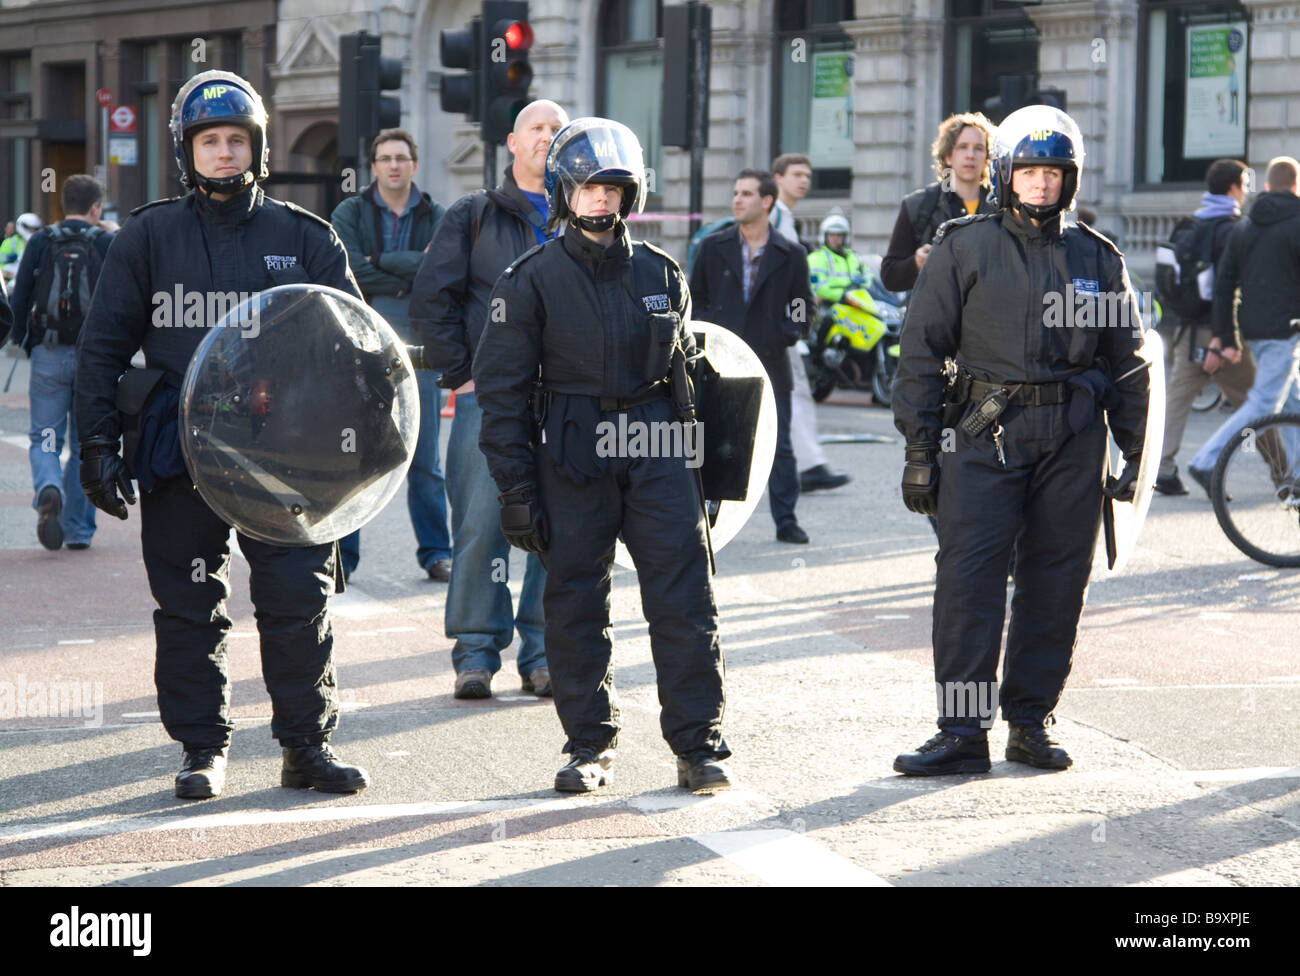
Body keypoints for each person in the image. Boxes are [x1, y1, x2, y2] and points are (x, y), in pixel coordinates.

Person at [75, 70, 370, 800]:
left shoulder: (305, 237)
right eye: (210, 140)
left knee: (298, 604)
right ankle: (202, 750)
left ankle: (307, 746)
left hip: (287, 457)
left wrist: (356, 476)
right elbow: (102, 349)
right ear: (188, 150)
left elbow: (360, 357)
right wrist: (96, 445)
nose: (225, 152)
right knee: (190, 606)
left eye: (237, 139)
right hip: (184, 453)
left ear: (257, 147)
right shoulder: (148, 236)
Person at [473, 117, 731, 794]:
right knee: (576, 603)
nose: (600, 199)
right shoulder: (527, 281)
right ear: (563, 192)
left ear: (631, 193)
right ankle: (588, 745)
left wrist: (702, 472)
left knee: (685, 599)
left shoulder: (661, 272)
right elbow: (501, 398)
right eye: (587, 186)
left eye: (612, 187)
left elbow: (687, 379)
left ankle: (699, 746)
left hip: (657, 445)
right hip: (572, 448)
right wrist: (517, 492)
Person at [891, 105, 1150, 775]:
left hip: (1071, 442)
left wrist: (1135, 456)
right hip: (983, 437)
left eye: (1054, 174)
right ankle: (961, 732)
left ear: (1071, 181)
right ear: (1008, 175)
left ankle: (1029, 722)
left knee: (1056, 582)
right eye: (1030, 172)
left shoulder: (1097, 256)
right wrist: (921, 450)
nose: (1042, 185)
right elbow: (921, 350)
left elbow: (1129, 363)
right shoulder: (963, 246)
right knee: (969, 582)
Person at [410, 99, 566, 700]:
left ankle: (544, 654)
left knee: (557, 529)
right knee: (480, 528)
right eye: (538, 127)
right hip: (489, 402)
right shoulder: (473, 214)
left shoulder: (583, 212)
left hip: (564, 405)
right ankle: (475, 653)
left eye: (558, 128)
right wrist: (463, 375)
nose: (548, 136)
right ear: (512, 142)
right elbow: (433, 300)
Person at [331, 128, 451, 582]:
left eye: (402, 158)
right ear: (374, 166)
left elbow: (438, 274)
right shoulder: (350, 211)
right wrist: (403, 268)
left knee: (424, 459)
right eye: (385, 158)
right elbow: (347, 272)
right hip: (364, 347)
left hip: (421, 349)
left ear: (414, 165)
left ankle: (436, 553)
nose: (394, 165)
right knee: (358, 454)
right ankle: (345, 557)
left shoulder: (438, 214)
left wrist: (380, 261)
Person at [690, 168, 814, 544]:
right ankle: (707, 521)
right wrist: (713, 334)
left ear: (766, 201)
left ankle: (786, 520)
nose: (737, 200)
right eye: (735, 193)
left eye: (746, 194)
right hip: (719, 365)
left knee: (779, 446)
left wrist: (787, 332)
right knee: (714, 442)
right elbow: (695, 299)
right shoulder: (714, 246)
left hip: (770, 364)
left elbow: (802, 306)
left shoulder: (790, 253)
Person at [8, 176, 114, 551]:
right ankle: (77, 529)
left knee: (46, 436)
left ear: (63, 204)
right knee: (88, 442)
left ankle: (48, 485)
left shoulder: (42, 240)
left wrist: (23, 340)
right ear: (96, 208)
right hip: (94, 359)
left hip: (48, 352)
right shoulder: (106, 241)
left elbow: (20, 296)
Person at [1185, 156, 1300, 496]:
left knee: (1292, 402)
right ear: (1295, 187)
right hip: (1287, 328)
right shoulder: (1296, 223)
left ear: (1266, 187)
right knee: (1265, 403)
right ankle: (1206, 460)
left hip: (1255, 328)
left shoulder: (1245, 226)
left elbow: (1224, 285)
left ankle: (1295, 476)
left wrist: (1226, 335)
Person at [1154, 159, 1255, 495]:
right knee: (1256, 403)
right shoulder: (1232, 229)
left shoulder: (1193, 225)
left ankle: (1163, 469)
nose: (1246, 189)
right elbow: (1228, 289)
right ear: (1233, 187)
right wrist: (1222, 339)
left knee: (1176, 402)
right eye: (1245, 182)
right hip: (1221, 333)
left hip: (1187, 330)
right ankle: (1286, 473)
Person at [769, 153, 851, 493]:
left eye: (808, 175)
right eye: (797, 174)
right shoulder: (773, 217)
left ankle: (806, 464)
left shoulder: (787, 219)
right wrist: (791, 326)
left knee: (794, 393)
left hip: (786, 328)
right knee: (791, 393)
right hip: (775, 328)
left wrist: (799, 326)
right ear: (777, 178)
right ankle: (804, 466)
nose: (804, 180)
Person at [880, 113, 997, 294]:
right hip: (932, 318)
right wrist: (916, 263)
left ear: (987, 158)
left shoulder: (1000, 207)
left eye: (979, 148)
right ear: (948, 156)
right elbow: (890, 277)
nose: (970, 155)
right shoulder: (918, 205)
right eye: (962, 147)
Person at [1, 213, 41, 288]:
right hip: (9, 284)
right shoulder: (10, 242)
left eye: (35, 229)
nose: (32, 231)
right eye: (30, 228)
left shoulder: (39, 243)